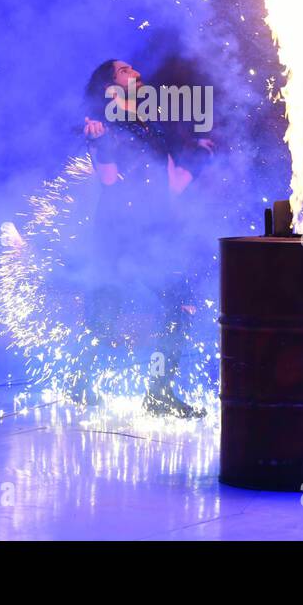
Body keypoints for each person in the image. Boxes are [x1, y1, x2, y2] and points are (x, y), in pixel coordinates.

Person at [81, 59, 204, 418]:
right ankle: (81, 378)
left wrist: (200, 158)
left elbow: (173, 184)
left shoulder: (149, 126)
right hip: (120, 233)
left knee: (178, 305)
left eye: (132, 68)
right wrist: (100, 147)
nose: (133, 71)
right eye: (123, 70)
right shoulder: (102, 125)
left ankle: (158, 391)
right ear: (109, 87)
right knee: (108, 313)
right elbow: (107, 182)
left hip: (153, 231)